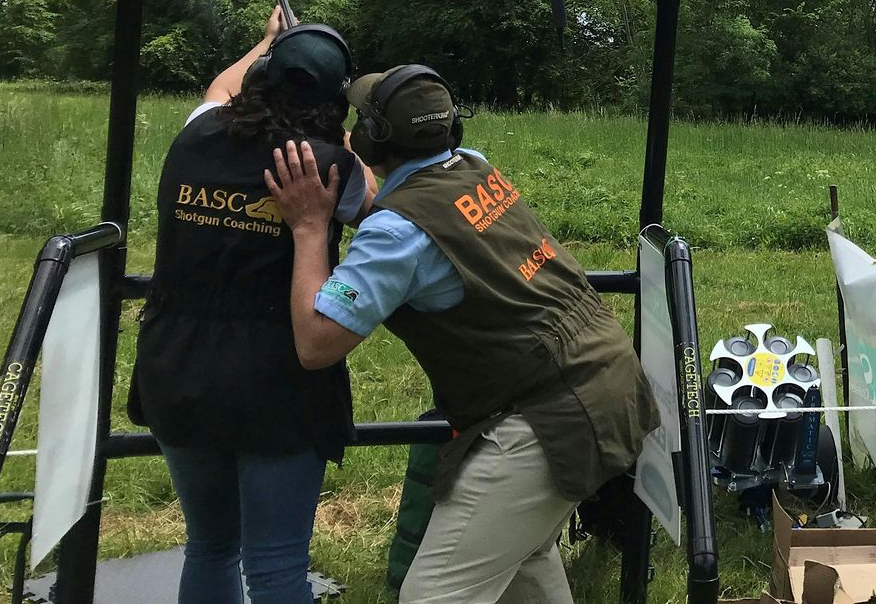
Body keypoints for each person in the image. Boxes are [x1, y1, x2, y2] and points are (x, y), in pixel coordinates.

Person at [264, 64, 660, 604]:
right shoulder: (474, 169)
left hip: (547, 422)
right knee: (525, 555)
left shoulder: (396, 233)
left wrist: (309, 228)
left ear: (373, 139)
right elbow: (410, 225)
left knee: (431, 596)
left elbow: (316, 342)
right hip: (607, 379)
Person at [128, 7, 375, 604]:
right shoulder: (328, 169)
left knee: (211, 548)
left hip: (176, 366)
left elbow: (220, 90)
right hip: (274, 382)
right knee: (277, 567)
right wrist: (340, 140)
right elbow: (375, 198)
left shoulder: (197, 131)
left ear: (264, 72)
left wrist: (265, 42)